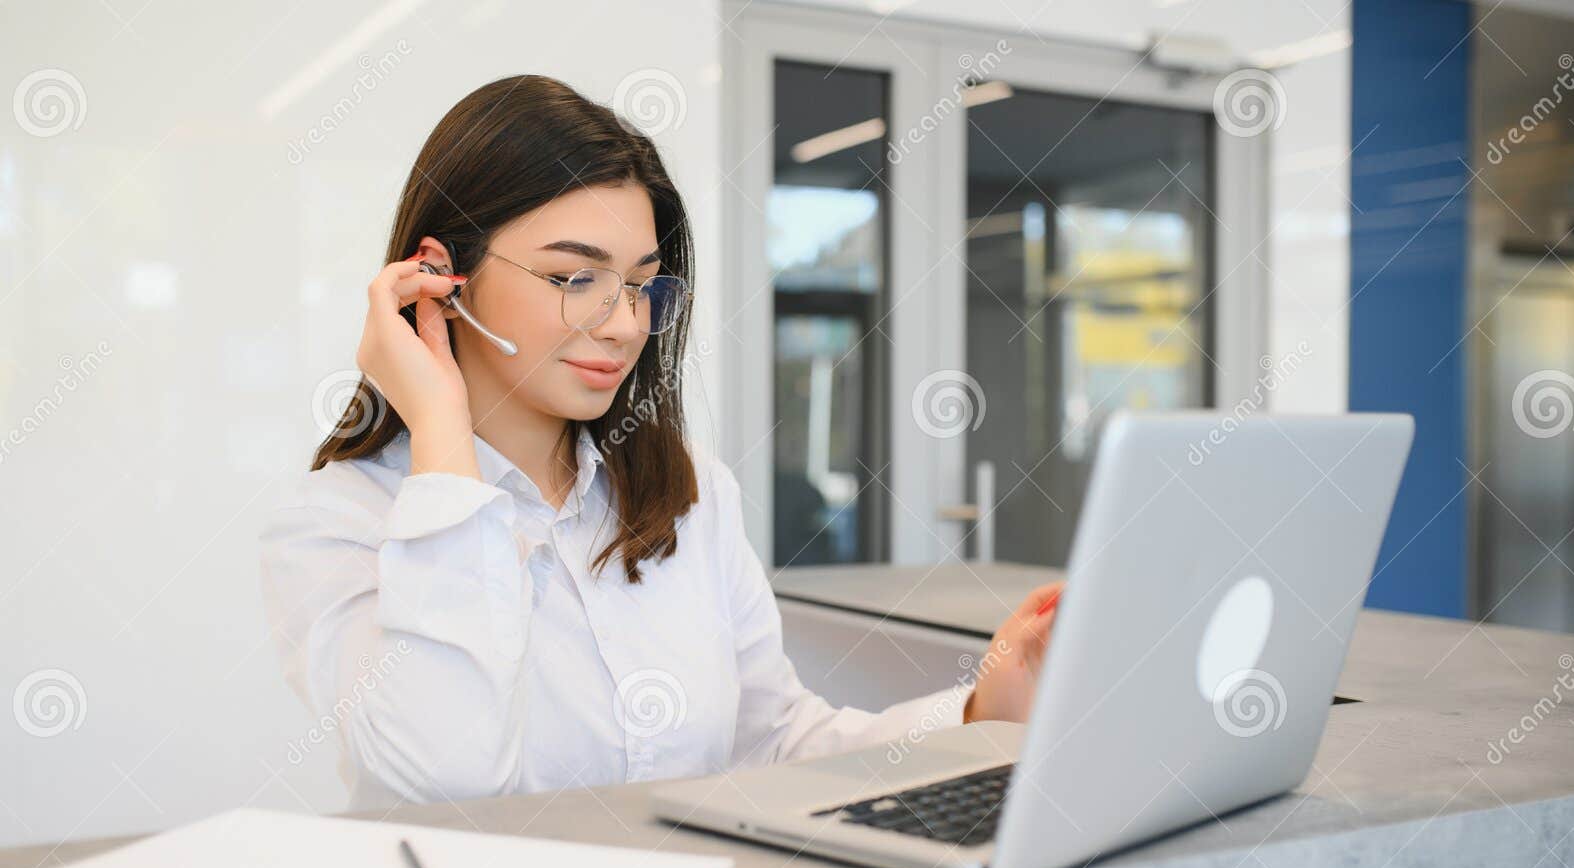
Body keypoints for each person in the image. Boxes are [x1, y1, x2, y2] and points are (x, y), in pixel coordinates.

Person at [260, 75, 1061, 809]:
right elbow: (448, 781)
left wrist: (979, 708)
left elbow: (773, 745)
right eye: (575, 277)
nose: (623, 323)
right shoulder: (339, 524)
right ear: (440, 274)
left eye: (641, 284)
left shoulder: (689, 493)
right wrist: (439, 426)